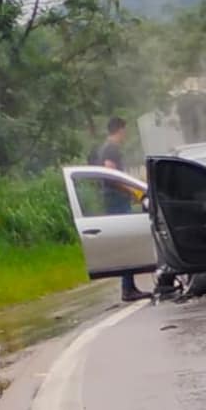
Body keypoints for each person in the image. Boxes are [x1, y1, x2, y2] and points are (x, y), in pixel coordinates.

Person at [89, 116, 150, 303]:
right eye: (125, 130)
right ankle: (128, 288)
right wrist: (131, 190)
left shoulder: (105, 148)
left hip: (115, 198)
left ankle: (130, 287)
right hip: (116, 200)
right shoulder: (112, 149)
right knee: (127, 242)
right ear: (120, 130)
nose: (126, 134)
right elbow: (111, 175)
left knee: (126, 242)